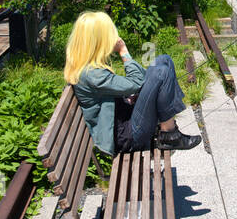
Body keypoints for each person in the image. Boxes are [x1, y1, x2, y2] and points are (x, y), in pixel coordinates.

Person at [65, 11, 201, 155]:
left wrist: (127, 98)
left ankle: (169, 132)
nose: (114, 38)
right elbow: (137, 82)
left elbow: (138, 81)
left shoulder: (87, 66)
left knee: (163, 60)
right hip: (127, 137)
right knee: (161, 72)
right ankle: (170, 135)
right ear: (98, 40)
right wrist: (123, 51)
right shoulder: (92, 74)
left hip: (126, 118)